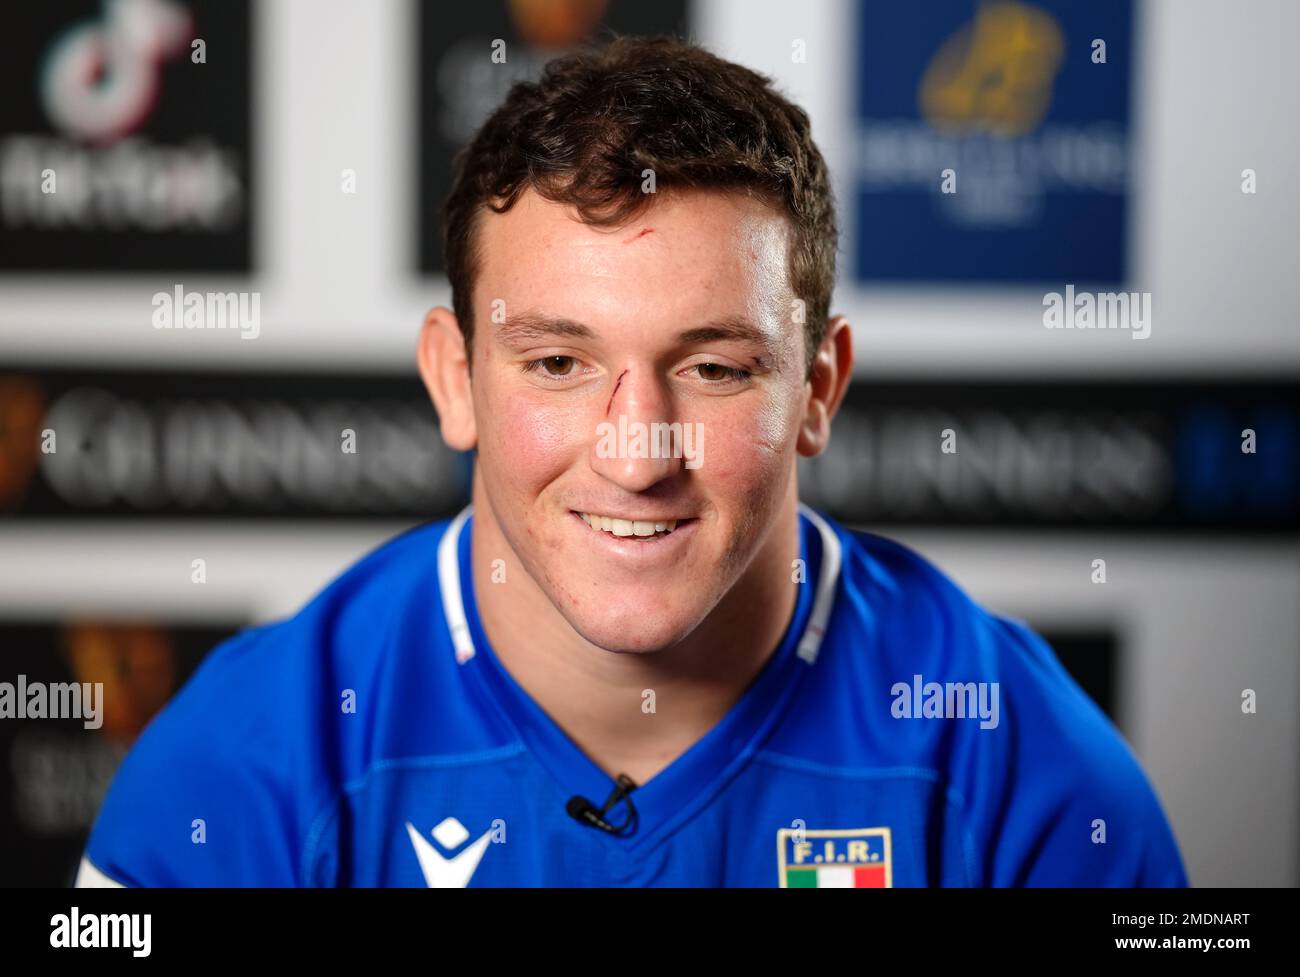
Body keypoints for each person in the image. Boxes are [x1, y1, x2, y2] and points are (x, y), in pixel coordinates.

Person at [76, 35, 1186, 887]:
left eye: (713, 368)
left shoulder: (1024, 767)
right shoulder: (244, 764)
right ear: (456, 379)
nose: (635, 450)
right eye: (558, 361)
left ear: (818, 387)